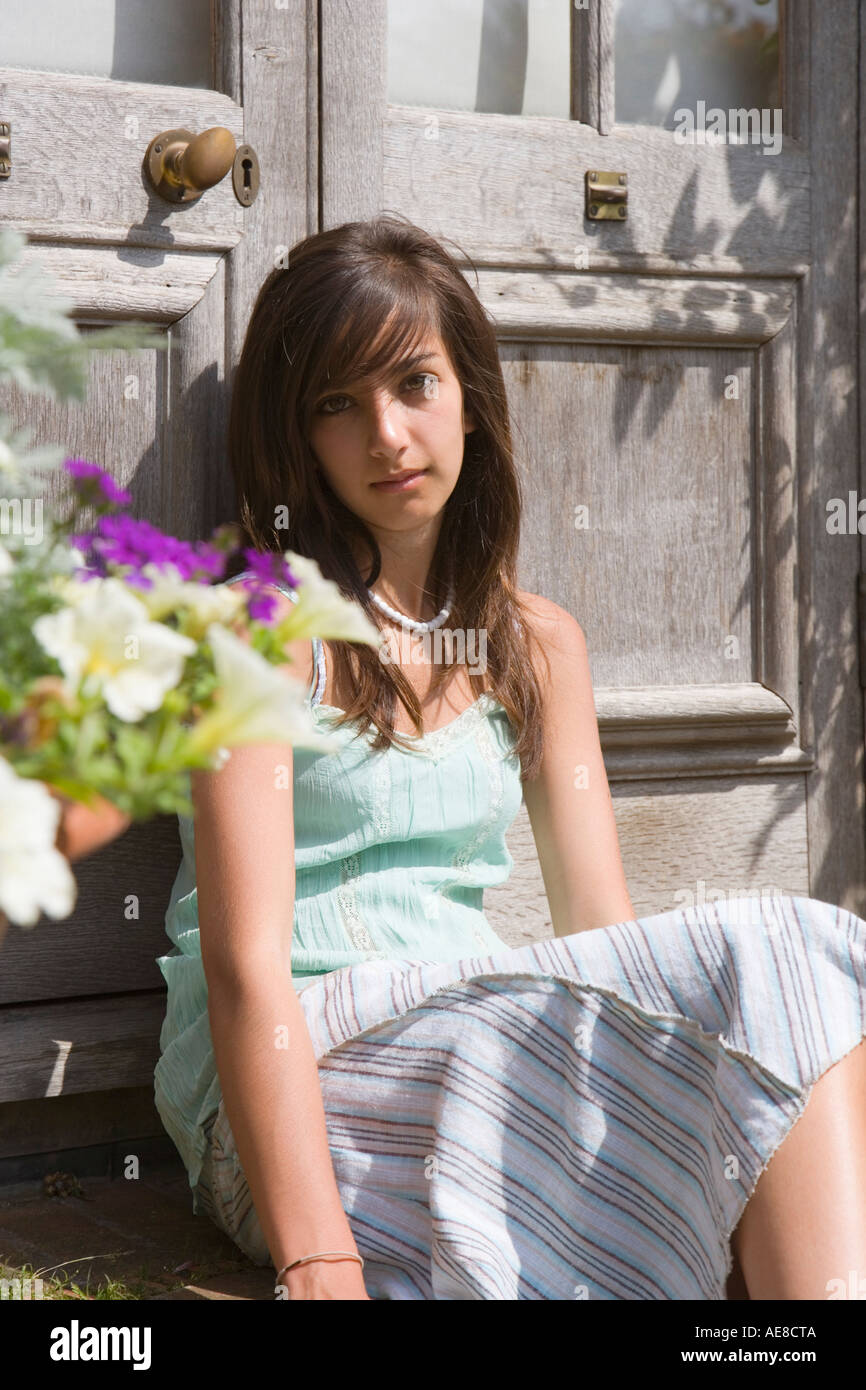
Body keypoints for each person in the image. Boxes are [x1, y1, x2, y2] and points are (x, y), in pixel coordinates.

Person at [154, 214, 866, 1302]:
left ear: (471, 399)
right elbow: (247, 973)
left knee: (792, 990)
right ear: (298, 441)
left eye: (412, 385)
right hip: (297, 1092)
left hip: (482, 1041)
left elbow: (601, 932)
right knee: (781, 956)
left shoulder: (535, 646)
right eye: (336, 405)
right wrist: (318, 1257)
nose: (387, 435)